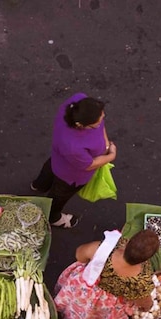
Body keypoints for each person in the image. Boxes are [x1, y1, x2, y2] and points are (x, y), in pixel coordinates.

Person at [54, 229, 160, 319]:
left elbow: (80, 254)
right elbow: (144, 303)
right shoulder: (142, 279)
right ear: (145, 259)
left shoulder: (104, 249)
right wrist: (149, 307)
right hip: (109, 307)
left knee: (80, 313)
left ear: (128, 242)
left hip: (86, 294)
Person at [31, 94, 116, 229]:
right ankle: (52, 217)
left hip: (58, 158)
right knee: (59, 195)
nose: (102, 120)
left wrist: (105, 144)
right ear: (81, 125)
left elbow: (101, 126)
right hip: (71, 175)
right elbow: (89, 165)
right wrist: (111, 155)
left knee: (50, 168)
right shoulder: (73, 147)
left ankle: (39, 185)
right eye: (96, 124)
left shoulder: (77, 103)